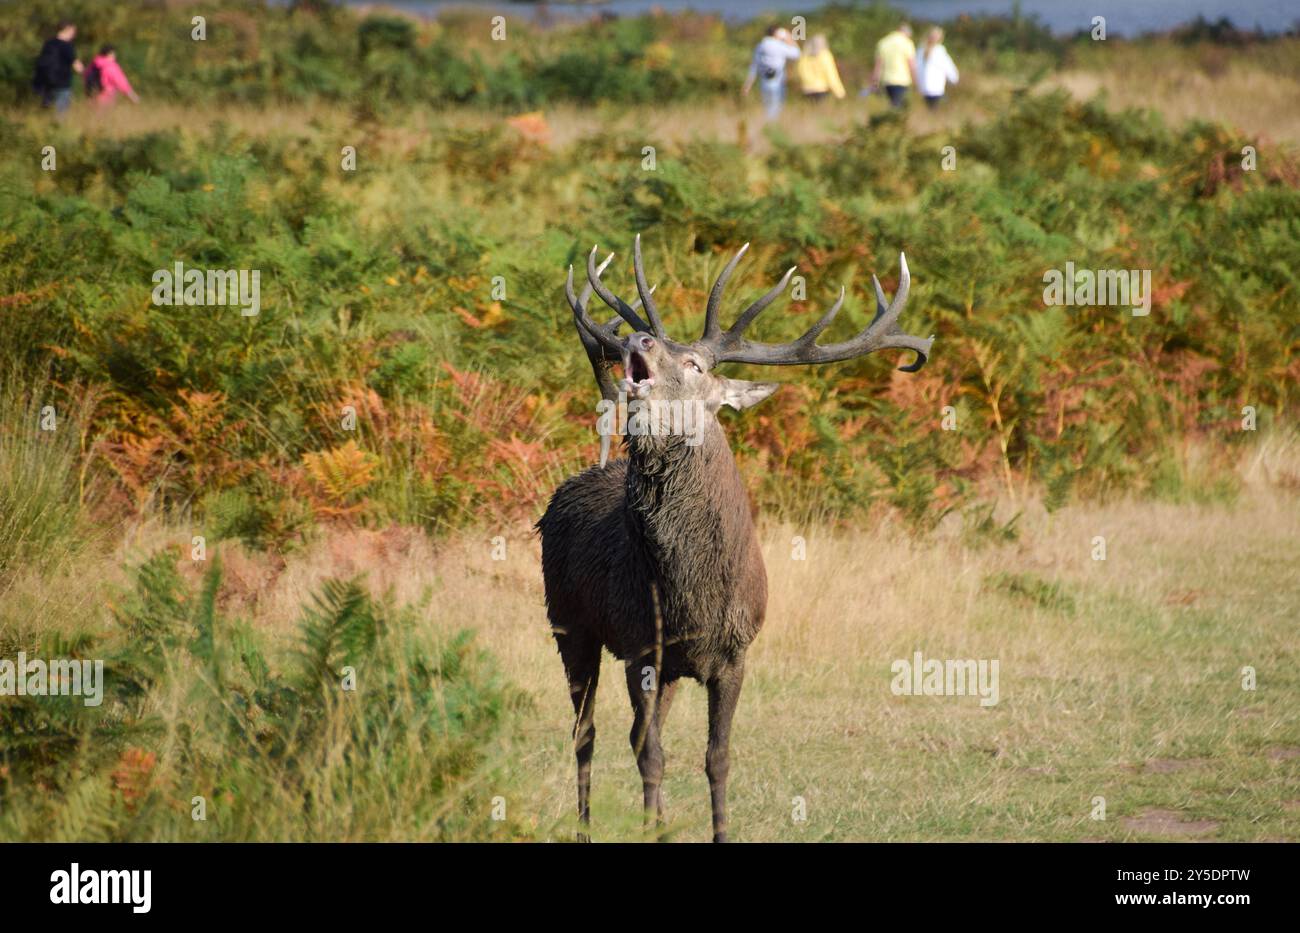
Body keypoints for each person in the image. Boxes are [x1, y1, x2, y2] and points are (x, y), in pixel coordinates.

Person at [742, 25, 800, 120]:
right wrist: (789, 39)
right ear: (776, 33)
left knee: (767, 106)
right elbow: (796, 54)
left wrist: (748, 84)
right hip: (778, 80)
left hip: (764, 81)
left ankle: (769, 124)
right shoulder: (779, 46)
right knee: (776, 106)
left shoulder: (760, 46)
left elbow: (754, 66)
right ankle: (772, 126)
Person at [32, 20, 83, 114]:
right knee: (61, 114)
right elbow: (77, 66)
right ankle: (58, 128)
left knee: (46, 112)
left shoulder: (48, 43)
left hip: (47, 83)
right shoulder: (67, 46)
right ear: (67, 29)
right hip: (62, 84)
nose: (74, 34)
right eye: (73, 31)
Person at [871, 22, 918, 109]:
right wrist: (916, 82)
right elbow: (911, 65)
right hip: (902, 80)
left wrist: (875, 82)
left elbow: (878, 65)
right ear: (907, 33)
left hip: (887, 80)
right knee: (898, 106)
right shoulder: (907, 43)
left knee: (893, 103)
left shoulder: (883, 42)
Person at [917, 28, 959, 109]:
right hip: (936, 88)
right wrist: (954, 79)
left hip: (923, 88)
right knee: (936, 109)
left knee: (928, 109)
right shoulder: (939, 51)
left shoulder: (920, 50)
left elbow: (916, 68)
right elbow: (948, 67)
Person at [796, 34, 845, 103]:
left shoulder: (804, 57)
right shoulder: (825, 55)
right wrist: (839, 92)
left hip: (807, 89)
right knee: (821, 112)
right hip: (821, 89)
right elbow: (831, 74)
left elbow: (800, 72)